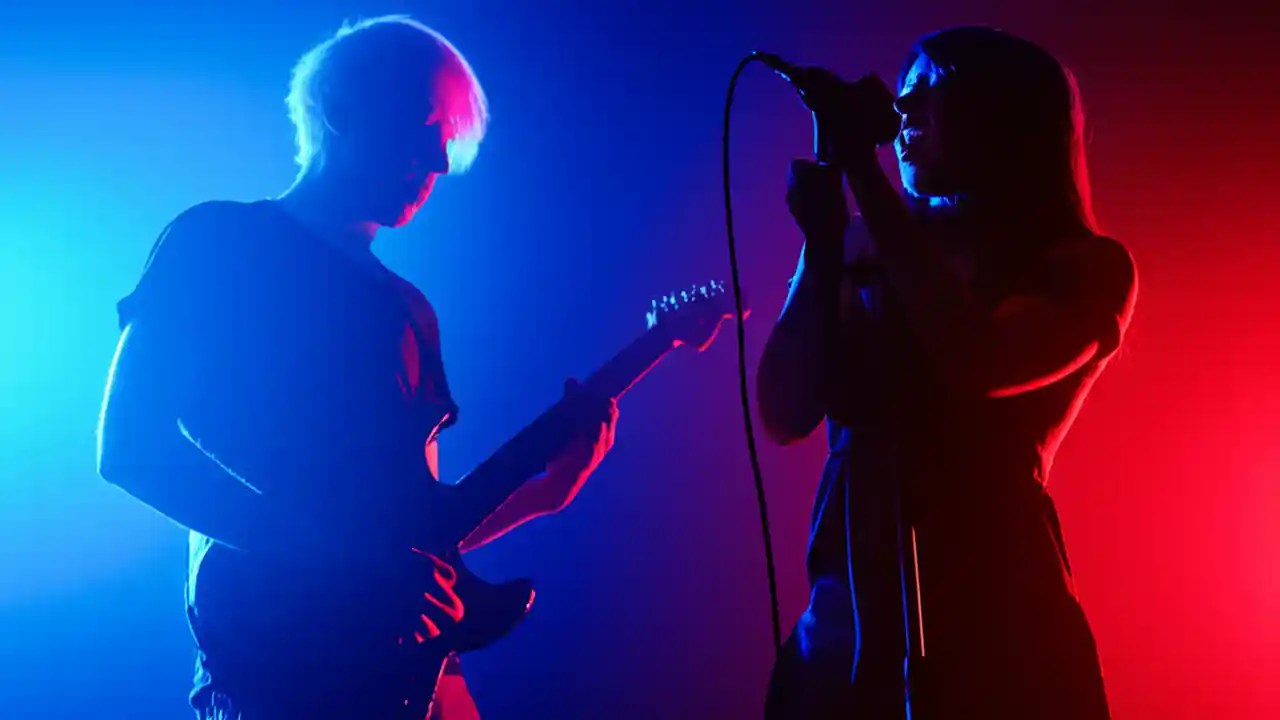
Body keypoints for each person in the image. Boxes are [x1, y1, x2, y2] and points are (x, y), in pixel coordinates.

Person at [96, 15, 618, 719]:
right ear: (340, 110)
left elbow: (416, 530)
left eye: (447, 138)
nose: (439, 162)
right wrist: (353, 567)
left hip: (420, 674)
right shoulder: (217, 240)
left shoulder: (410, 310)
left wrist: (545, 494)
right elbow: (130, 449)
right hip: (277, 673)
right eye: (425, 127)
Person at [758, 26, 1137, 719]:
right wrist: (822, 244)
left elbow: (976, 357)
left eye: (934, 87)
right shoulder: (865, 244)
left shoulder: (1088, 267)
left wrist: (863, 174)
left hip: (1000, 642)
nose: (905, 106)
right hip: (841, 643)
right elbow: (784, 409)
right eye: (906, 87)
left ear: (1003, 114)